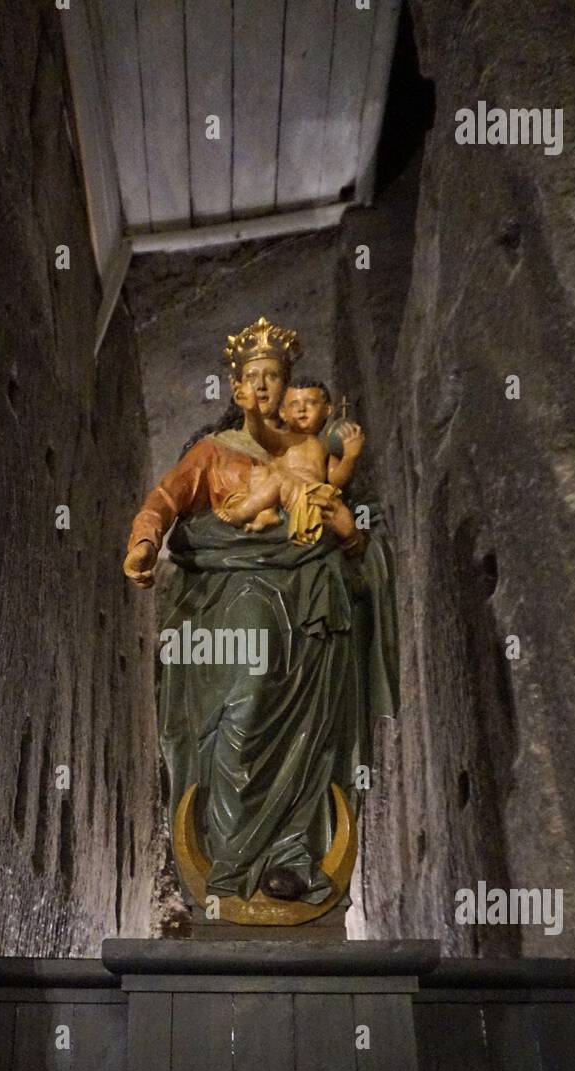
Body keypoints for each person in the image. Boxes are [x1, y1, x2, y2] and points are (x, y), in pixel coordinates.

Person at [123, 316, 398, 907]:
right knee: (244, 709)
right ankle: (231, 860)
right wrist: (144, 542)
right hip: (237, 597)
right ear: (238, 389)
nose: (266, 386)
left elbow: (354, 541)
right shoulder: (214, 453)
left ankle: (292, 858)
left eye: (276, 375)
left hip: (313, 608)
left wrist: (351, 536)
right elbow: (165, 499)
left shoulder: (310, 452)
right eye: (255, 377)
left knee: (313, 735)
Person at [216, 378, 365, 544]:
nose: (302, 409)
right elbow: (259, 433)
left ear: (327, 409)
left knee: (279, 478)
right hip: (282, 493)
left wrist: (350, 456)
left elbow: (336, 480)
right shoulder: (282, 439)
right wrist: (252, 410)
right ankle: (266, 514)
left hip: (306, 495)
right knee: (259, 472)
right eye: (294, 404)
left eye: (311, 403)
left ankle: (242, 513)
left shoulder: (324, 447)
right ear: (283, 413)